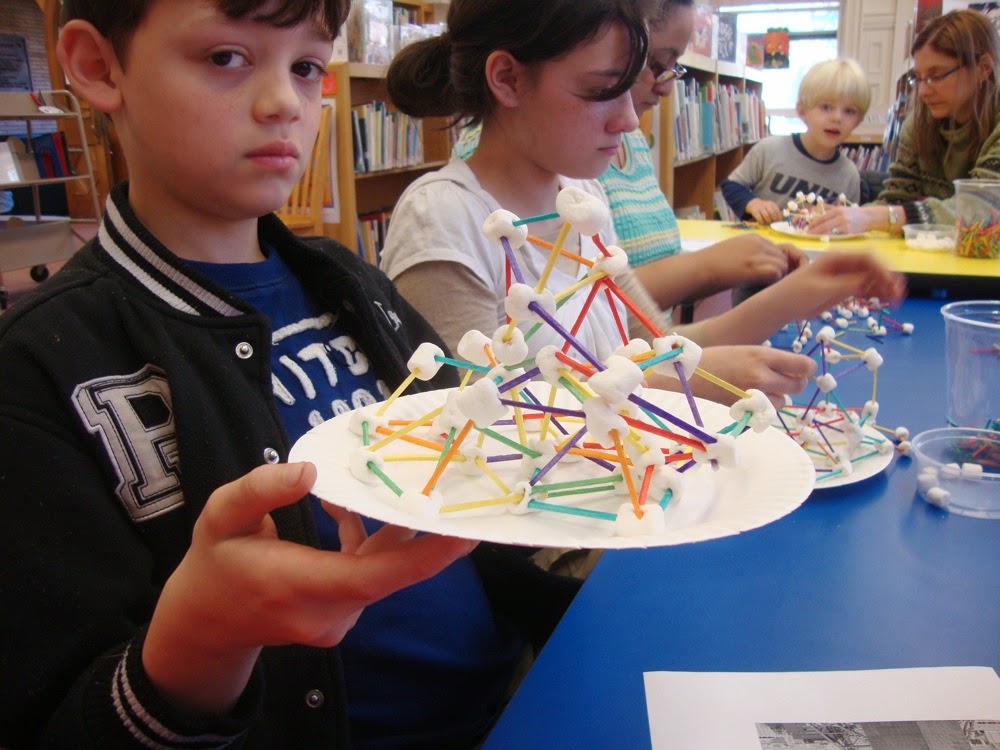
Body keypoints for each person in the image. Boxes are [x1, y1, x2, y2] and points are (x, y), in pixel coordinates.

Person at [0, 1, 576, 747]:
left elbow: (478, 477)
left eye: (306, 66)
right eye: (225, 59)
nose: (283, 104)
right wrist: (199, 639)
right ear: (96, 66)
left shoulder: (349, 282)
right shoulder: (41, 366)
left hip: (521, 694)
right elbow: (48, 722)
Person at [382, 0, 904, 411]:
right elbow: (484, 419)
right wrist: (676, 385)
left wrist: (799, 293)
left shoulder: (580, 199)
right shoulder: (443, 221)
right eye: (604, 90)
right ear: (508, 79)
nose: (630, 120)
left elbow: (659, 346)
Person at [808, 8, 1000, 236]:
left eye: (936, 76)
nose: (923, 91)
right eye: (918, 78)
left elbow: (983, 209)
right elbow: (898, 198)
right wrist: (841, 218)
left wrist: (873, 217)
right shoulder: (919, 126)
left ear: (983, 68)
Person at [721, 57, 872, 226]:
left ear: (858, 121)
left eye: (849, 111)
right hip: (764, 247)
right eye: (826, 107)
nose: (837, 118)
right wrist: (753, 203)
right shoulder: (769, 149)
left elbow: (848, 224)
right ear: (802, 111)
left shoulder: (849, 175)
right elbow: (731, 185)